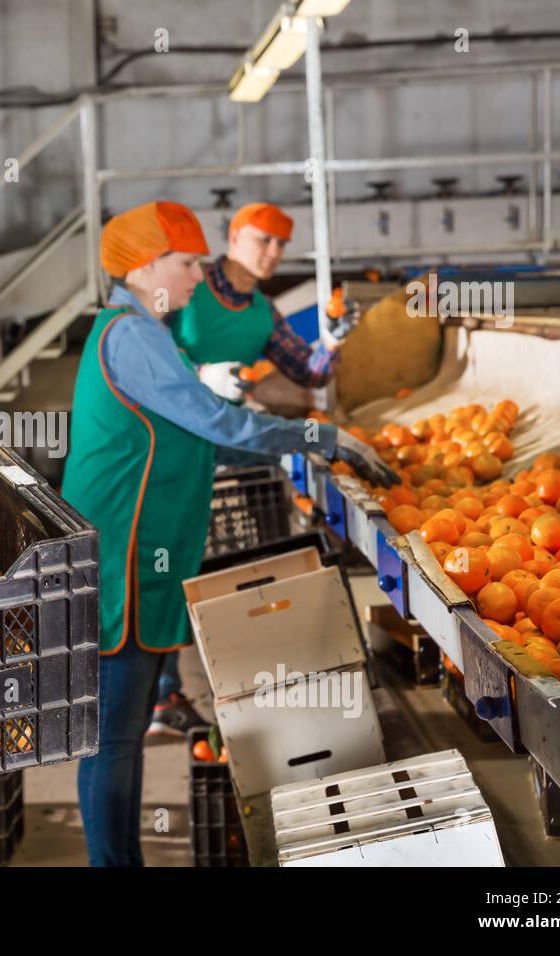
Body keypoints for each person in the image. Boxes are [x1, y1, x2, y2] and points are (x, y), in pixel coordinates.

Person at [60, 201, 393, 867]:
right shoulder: (130, 333)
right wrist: (317, 435)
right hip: (121, 558)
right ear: (148, 265)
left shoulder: (148, 331)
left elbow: (207, 441)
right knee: (115, 737)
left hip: (143, 554)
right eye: (185, 263)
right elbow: (221, 422)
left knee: (120, 733)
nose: (194, 276)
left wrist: (299, 451)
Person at [147, 202, 354, 740]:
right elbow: (145, 350)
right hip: (171, 441)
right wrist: (200, 373)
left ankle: (273, 652)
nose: (273, 252)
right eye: (263, 240)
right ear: (234, 237)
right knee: (169, 561)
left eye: (282, 245)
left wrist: (331, 340)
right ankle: (163, 691)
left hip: (227, 440)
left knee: (259, 531)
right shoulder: (189, 286)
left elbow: (307, 371)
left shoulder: (263, 312)